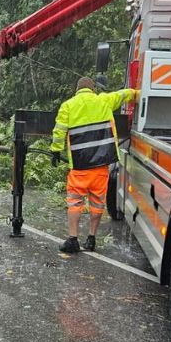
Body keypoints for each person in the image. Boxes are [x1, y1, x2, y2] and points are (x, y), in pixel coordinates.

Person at [50, 77, 139, 253]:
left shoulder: (68, 105)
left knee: (75, 203)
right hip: (100, 166)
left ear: (77, 90)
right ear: (93, 90)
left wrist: (55, 150)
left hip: (79, 167)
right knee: (98, 204)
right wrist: (139, 94)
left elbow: (59, 131)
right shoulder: (103, 100)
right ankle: (91, 239)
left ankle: (73, 239)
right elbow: (123, 95)